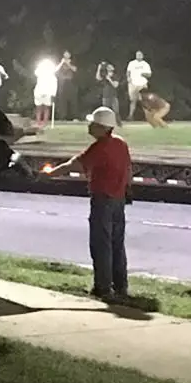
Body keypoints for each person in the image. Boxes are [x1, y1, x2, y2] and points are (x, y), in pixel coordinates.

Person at [46, 106, 131, 301]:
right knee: (117, 244)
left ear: (102, 127)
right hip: (119, 200)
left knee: (101, 245)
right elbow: (128, 169)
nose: (89, 126)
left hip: (103, 200)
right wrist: (127, 190)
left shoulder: (99, 147)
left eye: (92, 123)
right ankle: (121, 287)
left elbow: (73, 165)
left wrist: (48, 174)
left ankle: (103, 288)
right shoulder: (121, 144)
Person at [126, 50, 151, 120]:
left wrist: (143, 74)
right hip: (133, 84)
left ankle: (148, 116)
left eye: (140, 55)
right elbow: (128, 72)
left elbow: (149, 74)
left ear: (142, 56)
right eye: (137, 55)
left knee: (144, 100)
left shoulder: (145, 64)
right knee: (132, 100)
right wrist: (128, 78)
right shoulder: (131, 63)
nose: (139, 56)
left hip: (142, 84)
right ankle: (130, 116)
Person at [33, 58, 57, 128]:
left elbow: (54, 85)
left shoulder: (52, 76)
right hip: (39, 91)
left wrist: (53, 94)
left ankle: (45, 122)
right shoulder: (40, 73)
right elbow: (36, 72)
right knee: (38, 107)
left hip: (47, 92)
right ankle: (38, 122)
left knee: (46, 108)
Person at [96, 62, 121, 126]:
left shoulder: (115, 76)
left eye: (111, 66)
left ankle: (118, 124)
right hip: (106, 95)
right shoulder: (104, 75)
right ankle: (105, 124)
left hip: (113, 95)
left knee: (116, 111)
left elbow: (115, 85)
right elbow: (98, 78)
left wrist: (109, 79)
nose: (109, 67)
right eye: (108, 67)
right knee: (105, 111)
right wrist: (99, 68)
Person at [55, 50, 77, 121]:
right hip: (62, 82)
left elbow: (75, 69)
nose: (66, 54)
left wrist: (69, 64)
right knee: (62, 100)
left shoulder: (73, 61)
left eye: (68, 53)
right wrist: (62, 62)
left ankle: (74, 117)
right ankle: (62, 117)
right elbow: (55, 70)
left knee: (72, 100)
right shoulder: (60, 61)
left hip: (70, 82)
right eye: (65, 53)